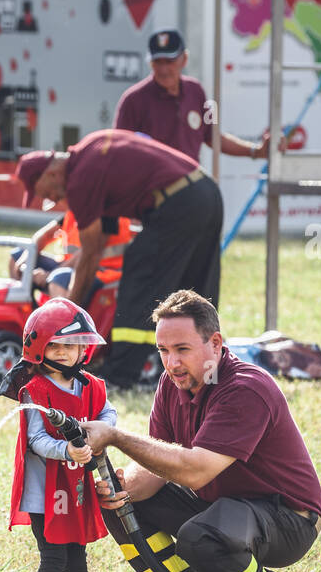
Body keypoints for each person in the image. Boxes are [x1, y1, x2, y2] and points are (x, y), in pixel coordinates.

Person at [79, 290, 321, 572]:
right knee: (121, 504)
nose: (171, 363)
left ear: (215, 343)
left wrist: (116, 437)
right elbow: (157, 469)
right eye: (163, 350)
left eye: (182, 349)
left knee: (200, 538)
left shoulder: (244, 389)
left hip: (288, 519)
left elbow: (194, 471)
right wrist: (120, 488)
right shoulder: (171, 384)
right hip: (222, 507)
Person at [16, 129, 223, 389]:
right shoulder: (91, 149)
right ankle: (206, 372)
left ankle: (122, 375)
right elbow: (100, 241)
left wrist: (67, 313)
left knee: (140, 280)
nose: (51, 201)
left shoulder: (81, 179)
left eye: (44, 193)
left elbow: (91, 254)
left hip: (177, 203)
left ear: (52, 174)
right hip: (206, 193)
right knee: (195, 290)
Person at [6, 299, 117, 572]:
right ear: (39, 348)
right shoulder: (35, 391)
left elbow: (107, 413)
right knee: (53, 557)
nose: (66, 352)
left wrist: (101, 431)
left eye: (72, 345)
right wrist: (67, 450)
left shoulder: (91, 386)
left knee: (77, 555)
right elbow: (37, 440)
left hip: (78, 487)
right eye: (57, 345)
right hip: (45, 492)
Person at [114, 29, 272, 163]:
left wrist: (255, 151)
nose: (163, 69)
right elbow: (118, 149)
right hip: (149, 192)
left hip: (190, 187)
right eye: (158, 62)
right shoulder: (133, 99)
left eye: (169, 62)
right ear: (150, 63)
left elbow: (213, 136)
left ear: (185, 59)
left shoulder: (197, 91)